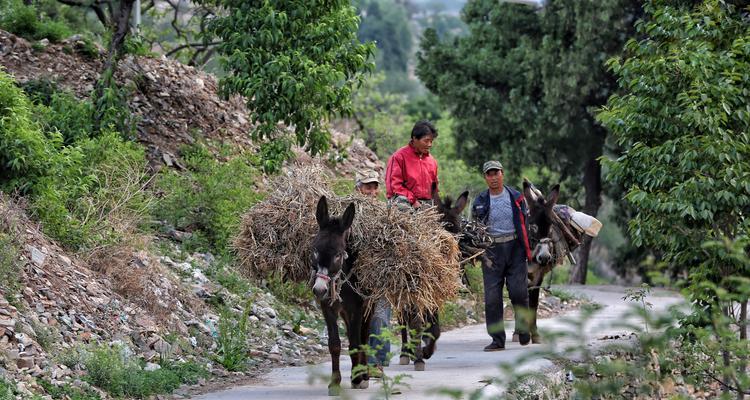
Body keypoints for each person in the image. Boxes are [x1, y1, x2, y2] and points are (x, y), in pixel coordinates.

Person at [471, 160, 532, 351]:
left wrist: (528, 249)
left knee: (519, 292)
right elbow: (474, 228)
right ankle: (497, 340)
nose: (493, 177)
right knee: (492, 298)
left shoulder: (516, 197)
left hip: (515, 248)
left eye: (496, 173)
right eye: (489, 174)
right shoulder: (480, 202)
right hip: (492, 252)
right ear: (485, 178)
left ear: (502, 174)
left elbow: (526, 224)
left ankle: (523, 328)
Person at [355, 169, 390, 376]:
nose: (372, 191)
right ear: (358, 188)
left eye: (375, 187)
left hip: (379, 275)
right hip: (356, 278)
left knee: (380, 318)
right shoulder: (350, 212)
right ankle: (364, 362)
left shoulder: (384, 212)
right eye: (368, 186)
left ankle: (377, 362)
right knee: (359, 320)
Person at [385, 120, 439, 211]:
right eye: (426, 141)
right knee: (401, 206)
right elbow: (394, 186)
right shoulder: (399, 157)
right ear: (415, 139)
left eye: (431, 141)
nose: (430, 145)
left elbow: (435, 189)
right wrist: (413, 200)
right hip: (405, 201)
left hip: (427, 203)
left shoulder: (432, 161)